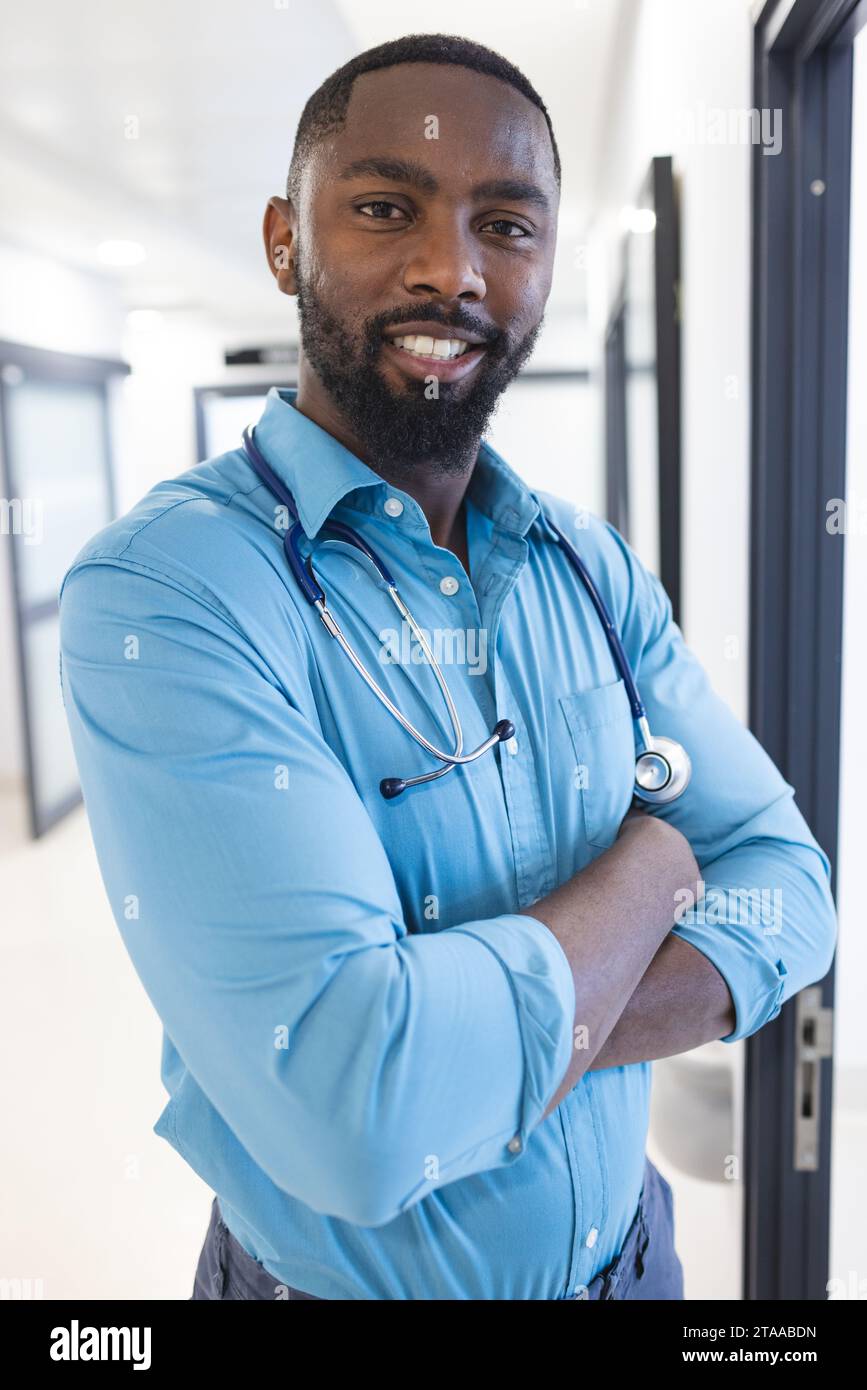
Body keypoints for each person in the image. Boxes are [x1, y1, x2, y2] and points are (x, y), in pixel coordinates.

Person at [58, 33, 837, 1301]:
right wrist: (652, 866)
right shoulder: (171, 593)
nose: (450, 271)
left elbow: (792, 887)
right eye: (383, 208)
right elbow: (360, 1115)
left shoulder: (588, 570)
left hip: (636, 1265)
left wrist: (488, 1043)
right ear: (283, 240)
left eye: (508, 224)